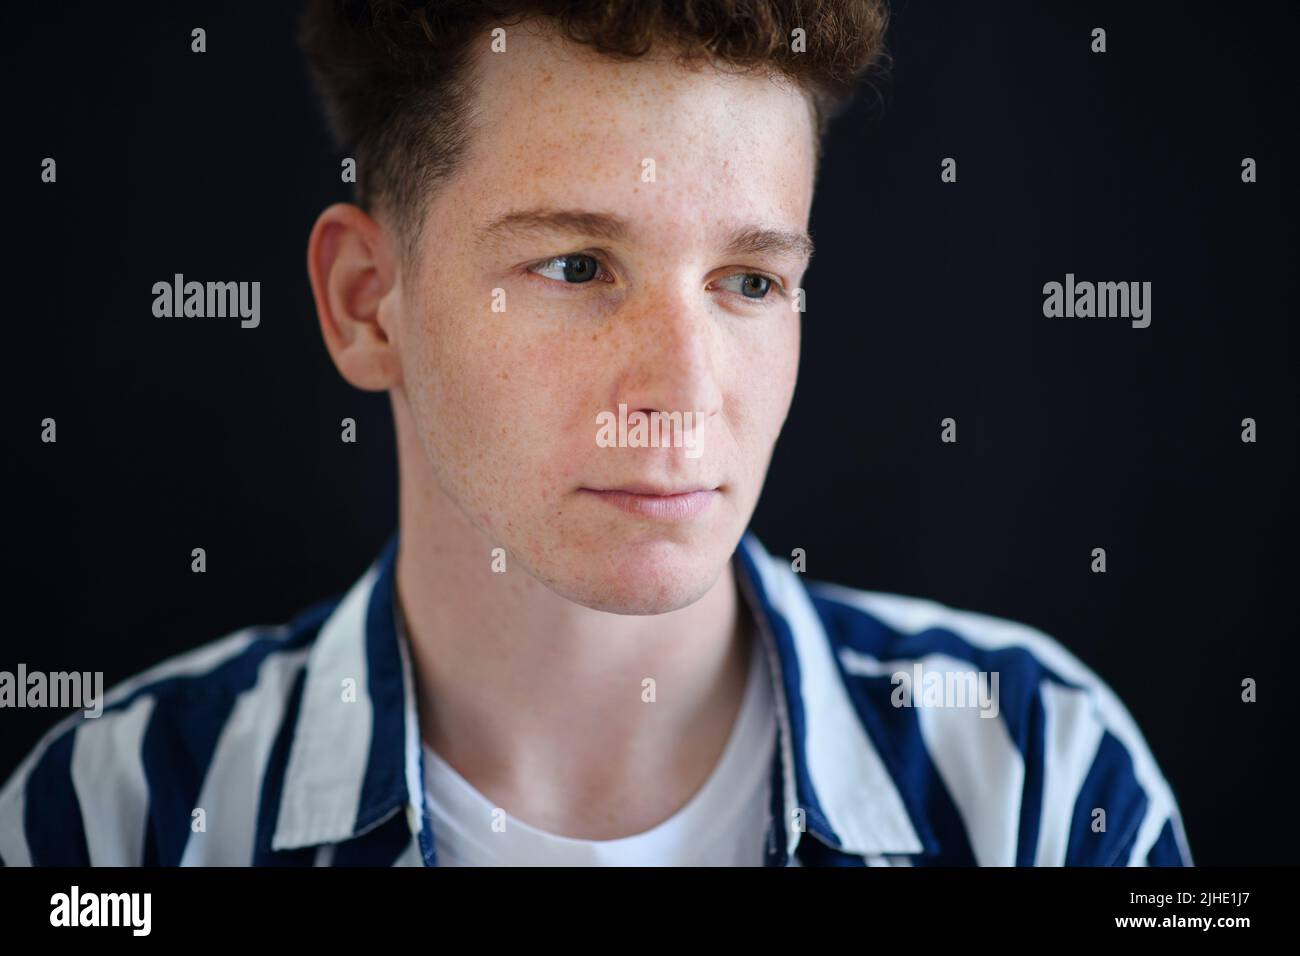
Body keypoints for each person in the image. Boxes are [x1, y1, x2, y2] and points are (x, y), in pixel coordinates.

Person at [0, 0, 1191, 867]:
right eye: (576, 265)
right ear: (369, 302)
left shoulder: (1039, 783)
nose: (682, 388)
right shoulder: (111, 826)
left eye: (749, 282)